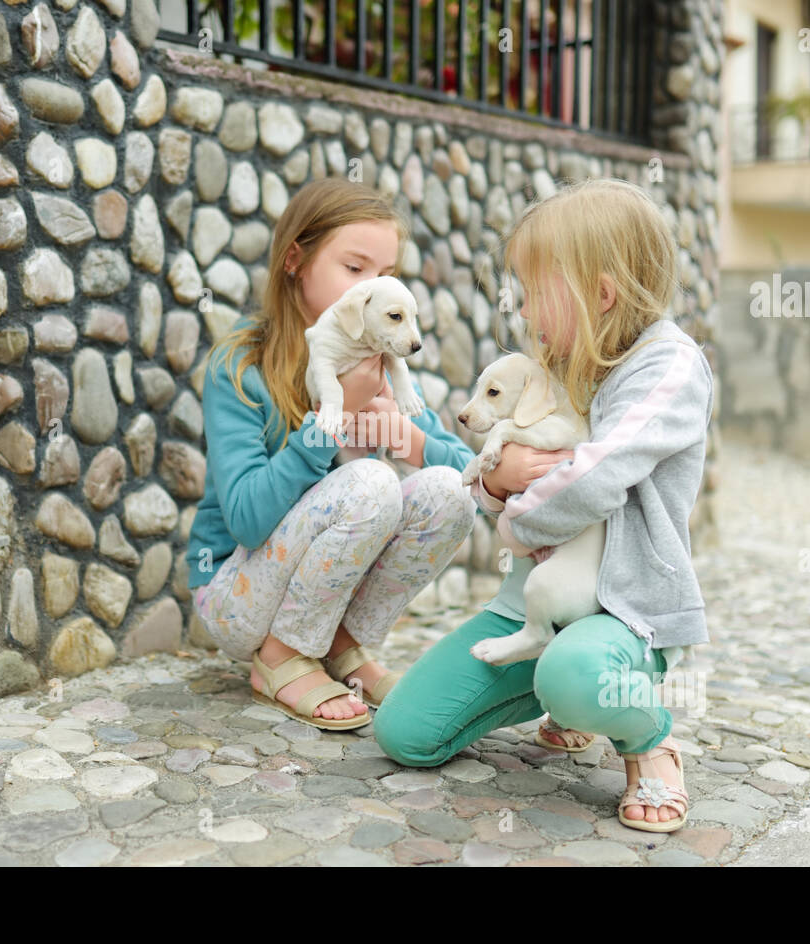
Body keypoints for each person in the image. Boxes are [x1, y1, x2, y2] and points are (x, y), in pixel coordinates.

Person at [373, 178, 715, 832]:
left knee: (578, 670)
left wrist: (515, 517)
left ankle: (649, 738)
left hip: (625, 612)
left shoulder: (669, 366)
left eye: (532, 294)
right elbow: (497, 456)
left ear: (601, 294)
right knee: (408, 732)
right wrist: (499, 483)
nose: (522, 311)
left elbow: (596, 474)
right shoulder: (554, 362)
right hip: (530, 605)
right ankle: (559, 686)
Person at [187, 176, 478, 731]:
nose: (370, 288)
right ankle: (277, 657)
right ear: (295, 259)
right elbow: (247, 521)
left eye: (385, 275)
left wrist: (408, 438)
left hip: (319, 599)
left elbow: (467, 475)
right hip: (234, 593)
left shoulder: (383, 354)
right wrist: (336, 417)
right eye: (354, 268)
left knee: (446, 492)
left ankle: (341, 647)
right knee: (369, 481)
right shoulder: (242, 366)